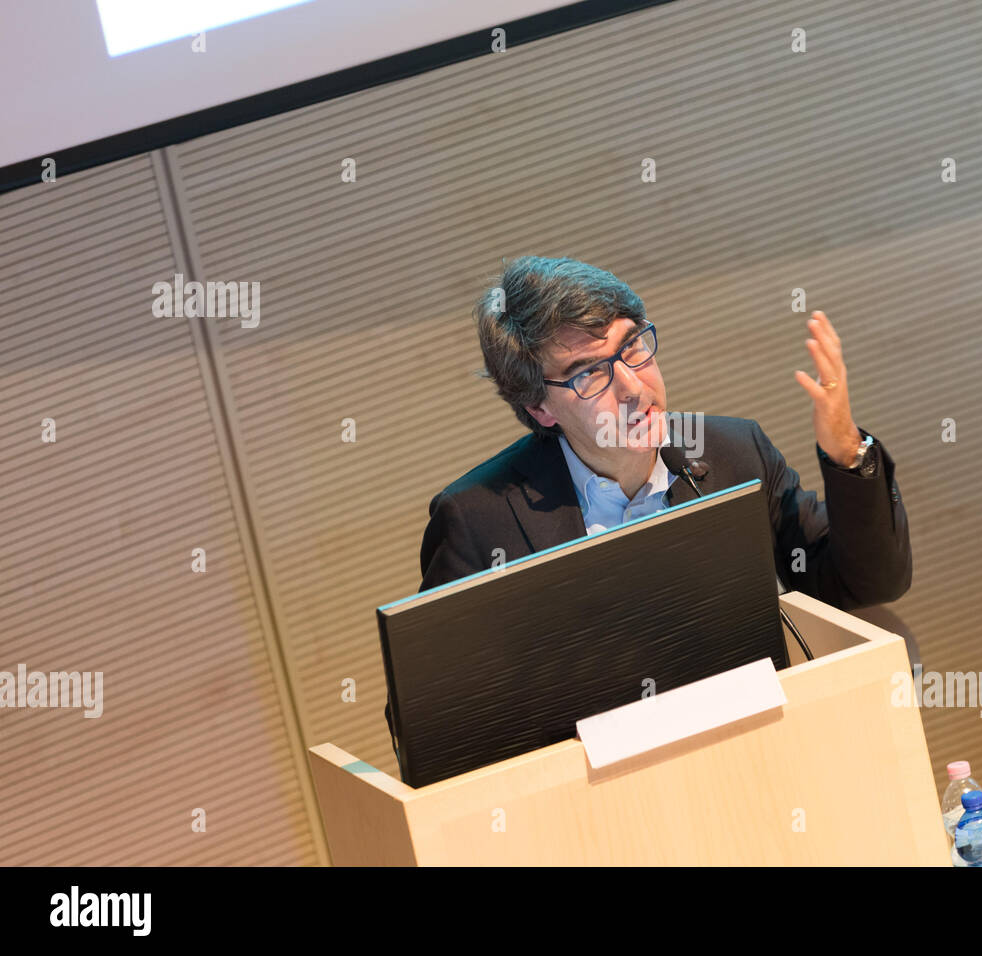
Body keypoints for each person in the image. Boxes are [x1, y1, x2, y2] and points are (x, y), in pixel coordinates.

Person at [386, 255, 912, 751]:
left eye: (633, 346)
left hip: (758, 756)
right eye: (589, 372)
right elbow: (436, 726)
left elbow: (865, 583)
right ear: (540, 407)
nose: (634, 387)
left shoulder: (733, 454)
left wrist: (847, 452)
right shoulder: (480, 519)